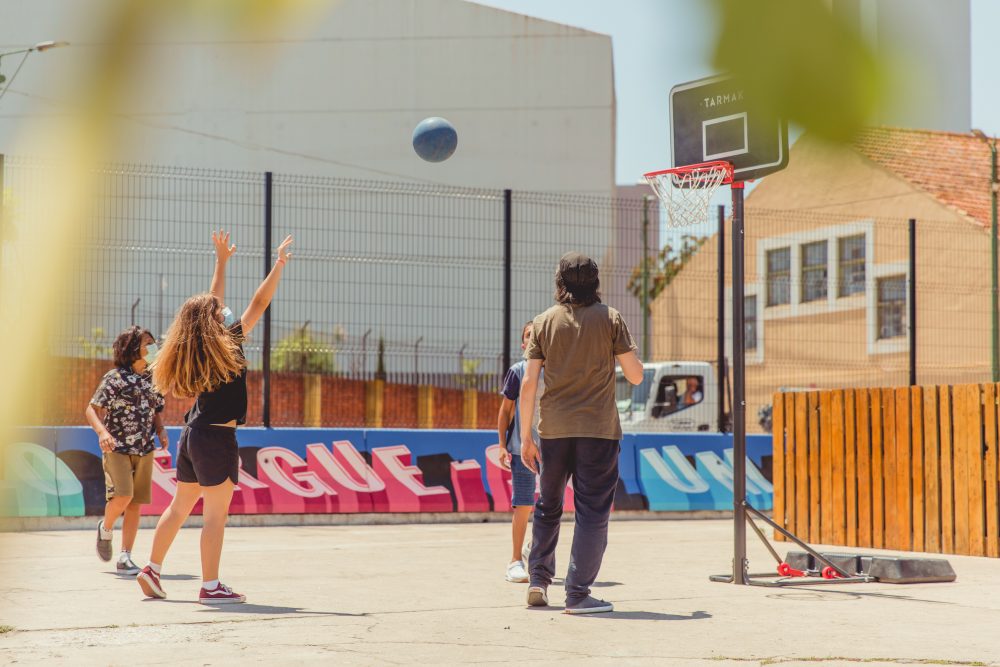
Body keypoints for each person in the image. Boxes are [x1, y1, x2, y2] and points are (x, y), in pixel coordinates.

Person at [137, 230, 292, 604]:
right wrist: (279, 265)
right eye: (219, 310)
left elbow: (212, 302)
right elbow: (260, 301)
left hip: (192, 434)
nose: (224, 309)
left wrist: (221, 262)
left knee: (178, 508)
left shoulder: (198, 346)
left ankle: (152, 569)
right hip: (216, 438)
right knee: (214, 516)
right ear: (214, 321)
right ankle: (210, 586)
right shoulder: (229, 342)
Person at [519, 251, 643, 614]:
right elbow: (635, 375)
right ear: (595, 281)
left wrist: (526, 437)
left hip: (553, 430)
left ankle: (538, 580)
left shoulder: (542, 322)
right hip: (598, 432)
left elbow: (529, 382)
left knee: (547, 506)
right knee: (591, 513)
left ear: (560, 282)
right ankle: (577, 594)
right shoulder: (611, 319)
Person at [85, 326, 167, 575]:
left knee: (135, 503)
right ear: (133, 350)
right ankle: (106, 529)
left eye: (154, 343)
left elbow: (155, 410)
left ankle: (125, 557)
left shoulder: (153, 379)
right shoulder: (114, 378)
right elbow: (91, 408)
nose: (154, 348)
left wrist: (161, 431)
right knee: (123, 495)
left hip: (144, 448)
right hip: (117, 447)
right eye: (148, 344)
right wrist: (103, 433)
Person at [496, 322, 544, 583]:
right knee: (524, 504)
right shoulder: (518, 371)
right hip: (520, 447)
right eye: (529, 335)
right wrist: (503, 445)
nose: (534, 338)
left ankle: (533, 548)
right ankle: (515, 560)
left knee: (552, 506)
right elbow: (505, 412)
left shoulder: (558, 371)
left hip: (552, 446)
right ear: (524, 344)